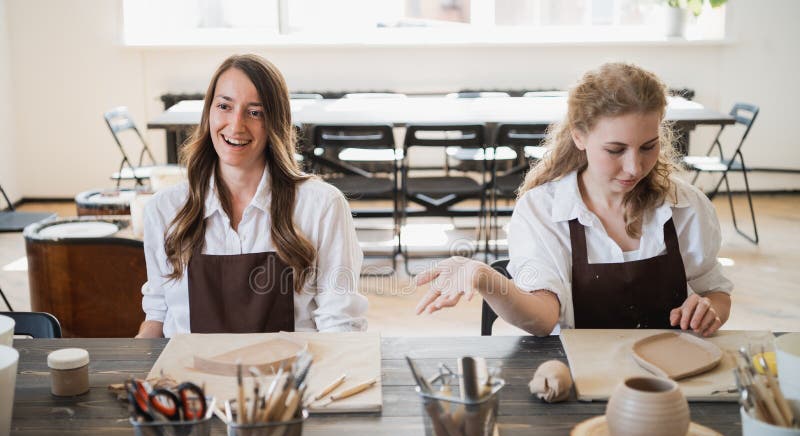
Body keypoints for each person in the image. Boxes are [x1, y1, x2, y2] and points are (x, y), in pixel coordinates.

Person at [415, 62, 732, 337]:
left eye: (648, 146)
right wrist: (485, 277)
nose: (635, 167)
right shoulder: (542, 210)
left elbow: (714, 291)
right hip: (577, 376)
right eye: (615, 150)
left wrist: (709, 308)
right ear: (579, 136)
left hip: (669, 378)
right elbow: (543, 319)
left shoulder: (687, 206)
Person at [137, 54, 367, 338]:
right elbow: (158, 314)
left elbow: (340, 322)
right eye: (224, 106)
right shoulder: (164, 209)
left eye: (255, 112)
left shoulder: (322, 206)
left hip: (289, 378)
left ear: (275, 122)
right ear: (208, 113)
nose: (236, 126)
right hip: (190, 379)